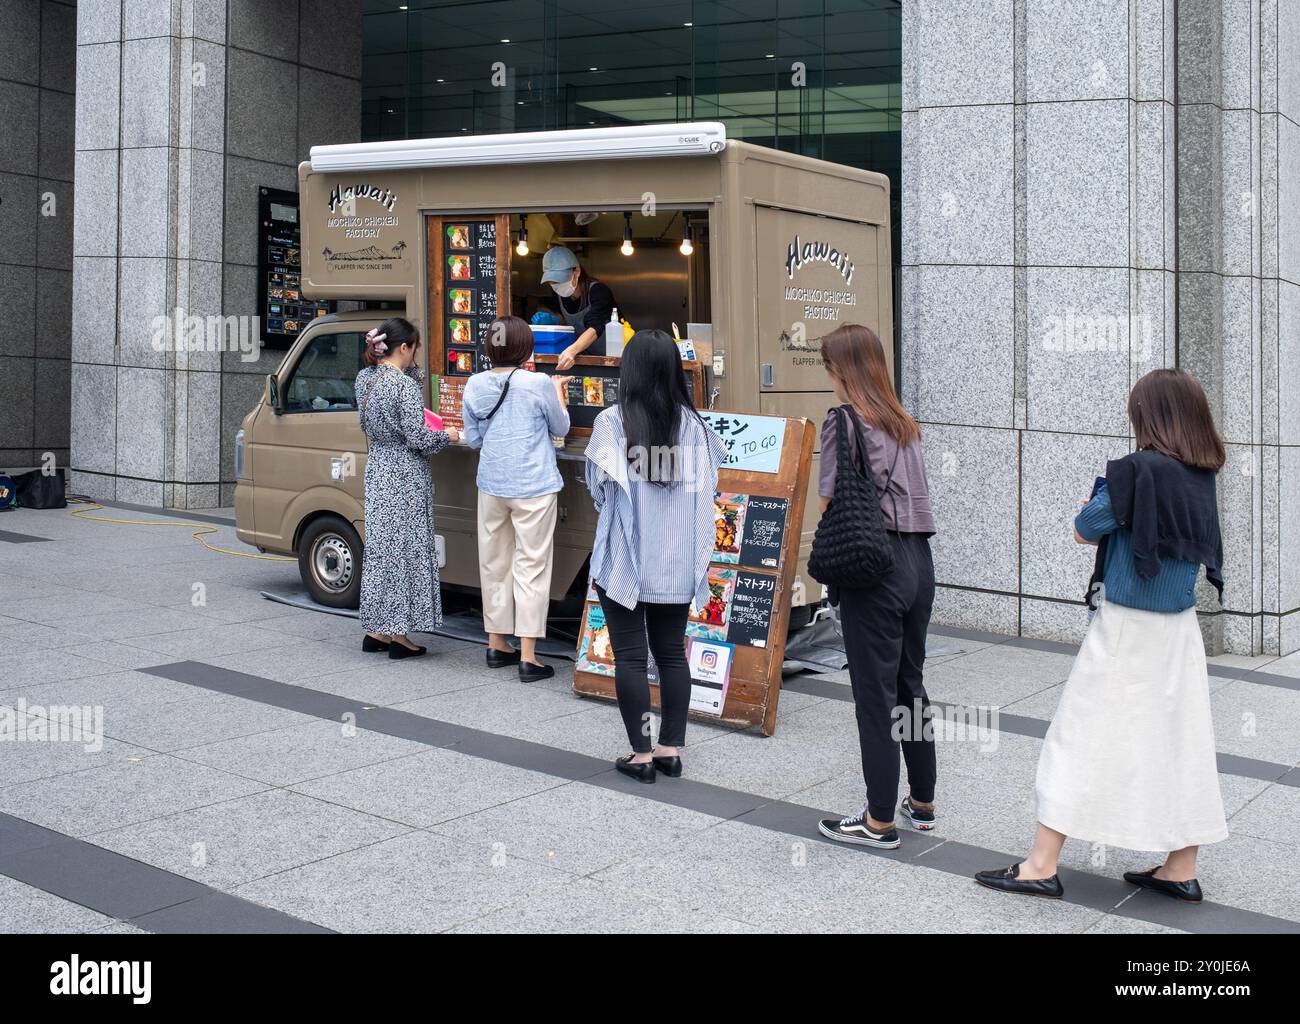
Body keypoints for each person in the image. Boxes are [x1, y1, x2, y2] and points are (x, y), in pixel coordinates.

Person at [976, 368, 1228, 902]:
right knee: (1180, 743)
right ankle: (1180, 867)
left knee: (1077, 737)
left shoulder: (1137, 472)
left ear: (1149, 417)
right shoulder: (1203, 474)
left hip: (1124, 630)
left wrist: (1104, 492)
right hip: (1180, 631)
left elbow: (1084, 527)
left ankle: (1041, 864)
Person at [814, 323, 938, 851]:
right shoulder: (902, 421)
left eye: (828, 367)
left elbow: (830, 502)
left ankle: (879, 818)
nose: (828, 378)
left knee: (874, 695)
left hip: (874, 568)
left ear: (842, 369)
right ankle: (923, 802)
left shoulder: (844, 422)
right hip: (918, 562)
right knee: (910, 683)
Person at [585, 329, 726, 783]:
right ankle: (670, 749)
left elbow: (598, 489)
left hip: (626, 558)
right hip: (677, 561)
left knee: (629, 657)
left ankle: (641, 756)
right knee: (670, 654)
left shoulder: (612, 423)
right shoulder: (697, 428)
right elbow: (711, 488)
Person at [462, 316, 573, 681]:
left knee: (493, 563)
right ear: (525, 347)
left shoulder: (475, 383)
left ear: (489, 347)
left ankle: (497, 644)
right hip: (534, 485)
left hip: (492, 484)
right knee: (532, 566)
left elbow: (474, 439)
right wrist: (559, 394)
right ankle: (528, 656)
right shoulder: (538, 382)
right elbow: (561, 428)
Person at [354, 318, 458, 659]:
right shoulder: (403, 387)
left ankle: (376, 630)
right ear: (403, 348)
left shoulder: (365, 378)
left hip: (378, 466)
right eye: (413, 348)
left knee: (382, 550)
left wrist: (406, 368)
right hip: (405, 474)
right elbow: (419, 437)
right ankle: (400, 636)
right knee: (407, 549)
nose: (416, 355)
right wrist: (449, 436)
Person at [540, 245, 618, 371]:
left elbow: (596, 325)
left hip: (614, 359)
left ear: (576, 271)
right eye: (553, 282)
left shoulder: (598, 291)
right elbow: (567, 322)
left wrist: (572, 350)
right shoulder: (559, 294)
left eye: (561, 280)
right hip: (587, 360)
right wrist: (553, 321)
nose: (556, 285)